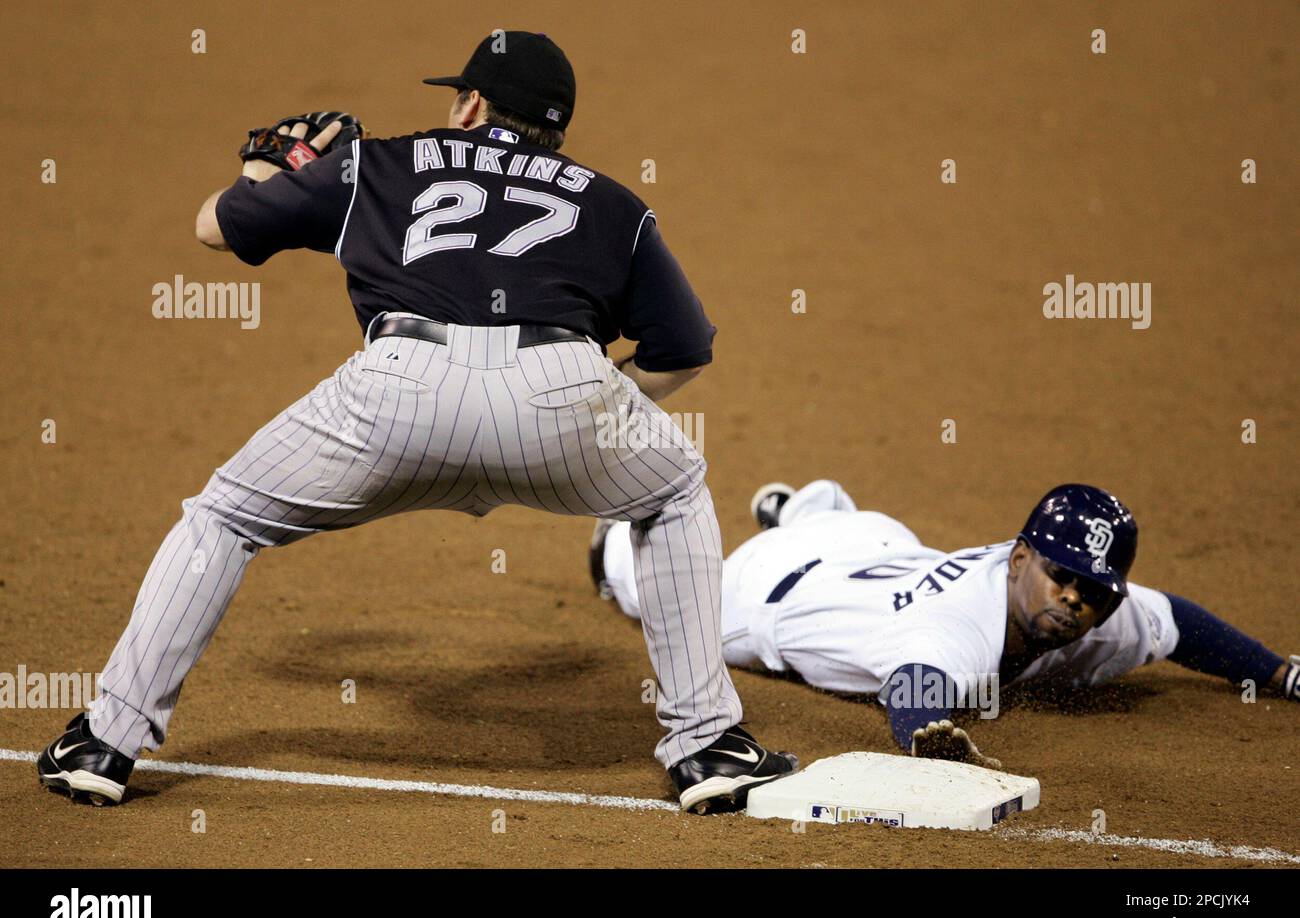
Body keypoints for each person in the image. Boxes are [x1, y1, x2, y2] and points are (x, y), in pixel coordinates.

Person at [36, 31, 795, 813]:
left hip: (399, 389)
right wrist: (594, 409)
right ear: (554, 131)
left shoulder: (377, 161)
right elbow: (685, 353)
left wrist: (267, 168)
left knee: (223, 517)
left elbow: (213, 227)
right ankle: (708, 747)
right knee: (673, 493)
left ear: (470, 105)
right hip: (564, 386)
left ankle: (107, 739)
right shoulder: (612, 203)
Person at [591, 479, 1299, 767]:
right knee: (667, 598)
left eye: (1094, 591)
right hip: (762, 594)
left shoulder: (1094, 612)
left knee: (863, 525)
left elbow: (1178, 619)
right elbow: (914, 687)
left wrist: (1279, 671)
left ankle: (806, 507)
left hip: (877, 546)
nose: (1077, 601)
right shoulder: (956, 626)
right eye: (1061, 576)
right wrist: (930, 742)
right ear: (1021, 557)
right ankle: (616, 550)